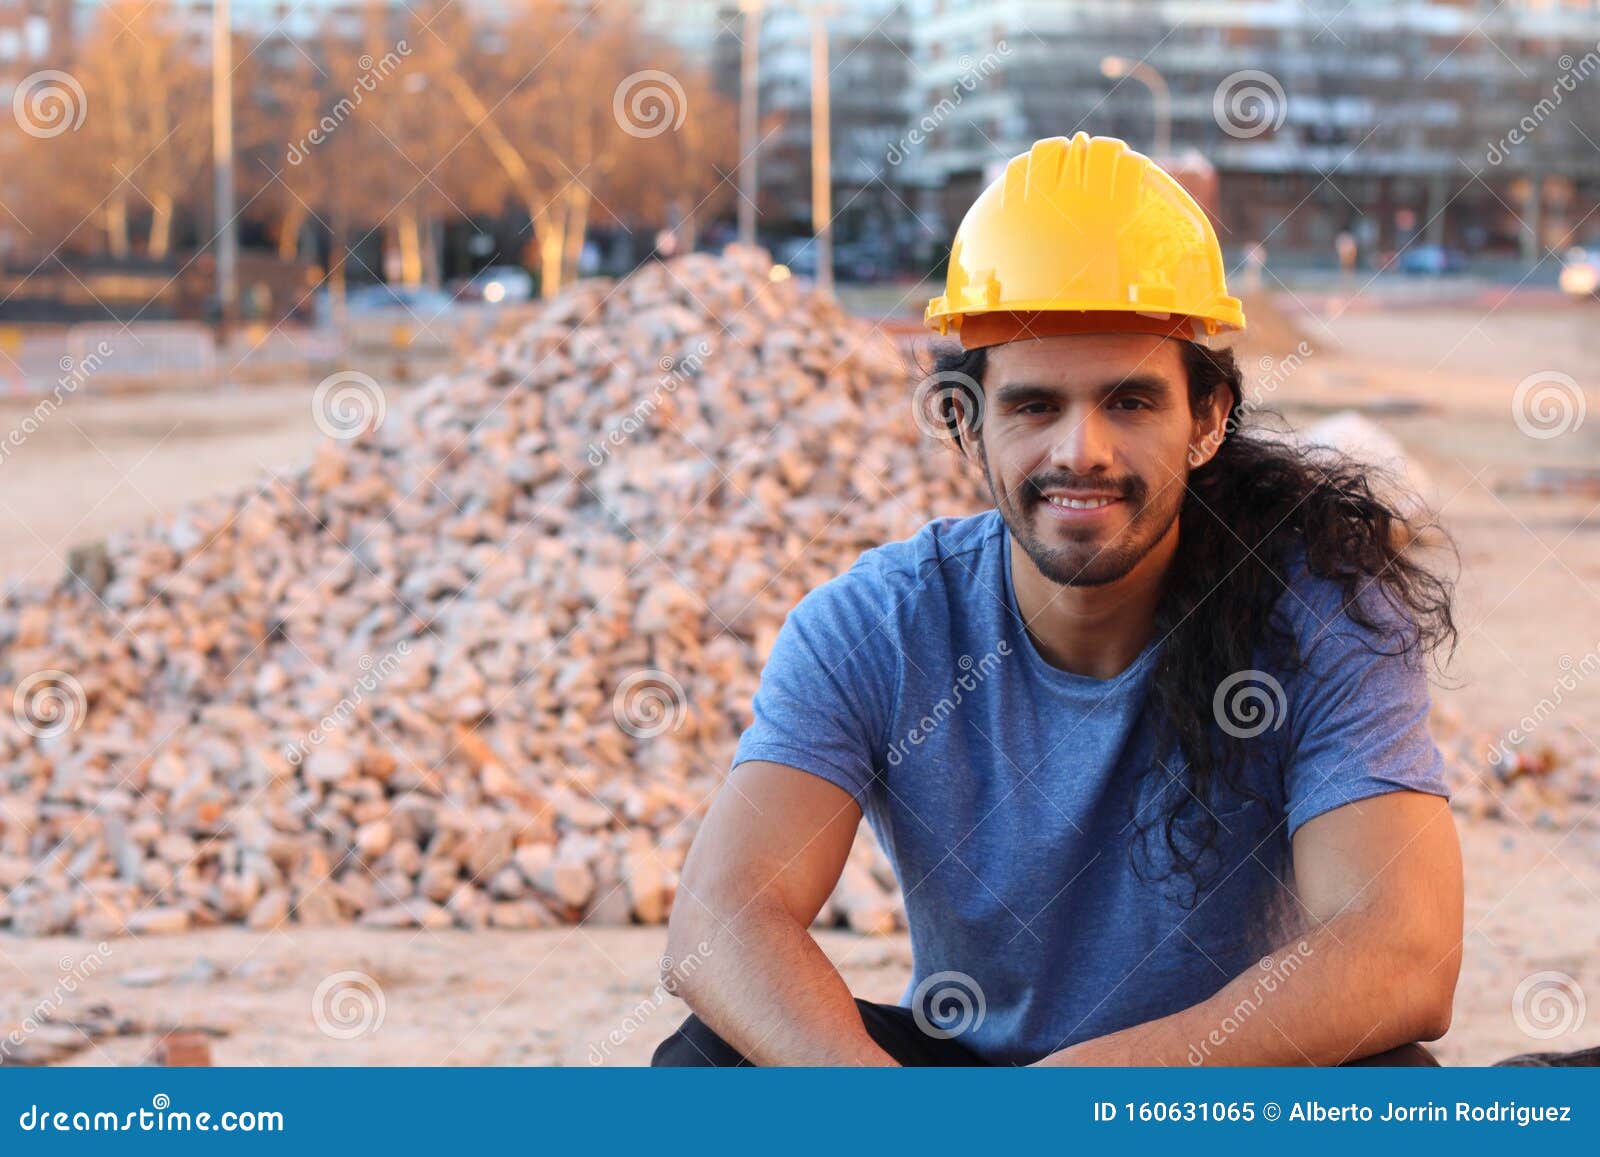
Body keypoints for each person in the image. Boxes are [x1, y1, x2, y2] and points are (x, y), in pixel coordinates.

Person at [654, 133, 1463, 1067]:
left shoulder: (1322, 615)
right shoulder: (872, 626)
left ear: (1206, 420)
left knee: (1394, 1081)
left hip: (1214, 1085)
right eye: (1036, 405)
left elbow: (1404, 953)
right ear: (968, 421)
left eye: (1129, 402)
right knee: (706, 1065)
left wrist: (1084, 1097)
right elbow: (720, 920)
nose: (1082, 449)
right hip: (965, 1091)